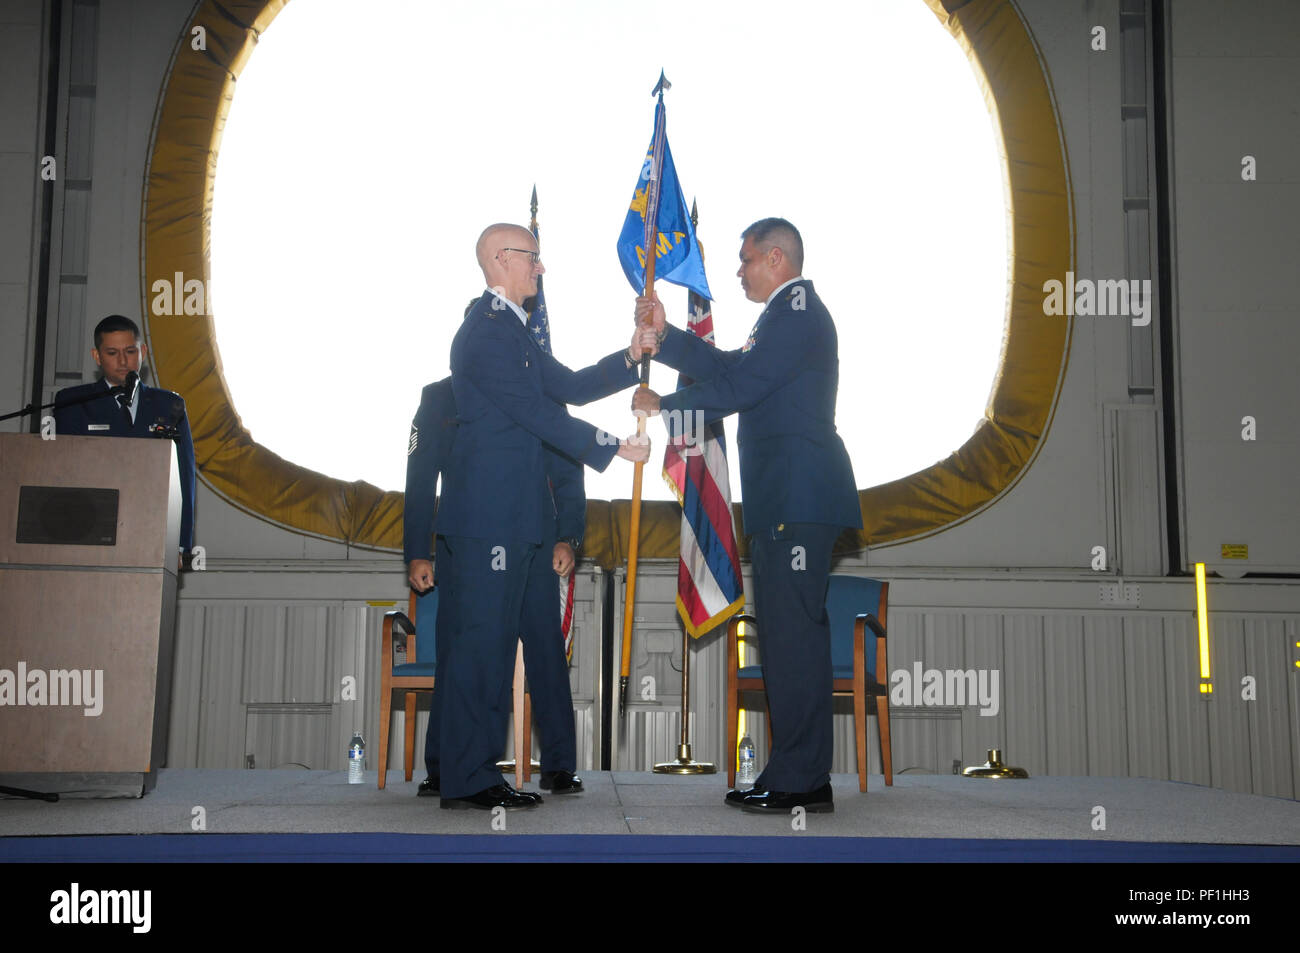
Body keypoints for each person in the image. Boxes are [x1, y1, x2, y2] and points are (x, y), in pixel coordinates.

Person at [633, 218, 861, 814]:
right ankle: (793, 771)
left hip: (800, 498)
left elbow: (744, 385)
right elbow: (736, 367)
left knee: (793, 642)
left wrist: (667, 402)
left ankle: (803, 781)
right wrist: (669, 337)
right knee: (787, 641)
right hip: (786, 501)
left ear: (778, 258)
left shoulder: (799, 311)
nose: (739, 270)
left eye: (746, 259)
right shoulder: (783, 317)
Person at [434, 222, 657, 810]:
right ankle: (468, 777)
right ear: (502, 260)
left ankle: (473, 774)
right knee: (482, 650)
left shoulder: (515, 333)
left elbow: (571, 387)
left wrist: (630, 356)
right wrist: (613, 446)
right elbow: (537, 413)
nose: (540, 267)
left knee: (493, 646)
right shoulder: (484, 334)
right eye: (533, 257)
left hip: (515, 520)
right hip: (489, 519)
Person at [404, 372, 588, 798]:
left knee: (545, 651)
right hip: (463, 549)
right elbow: (420, 476)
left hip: (534, 542)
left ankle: (558, 765)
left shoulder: (539, 394)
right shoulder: (439, 398)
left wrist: (569, 536)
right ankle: (444, 766)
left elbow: (568, 474)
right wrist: (417, 549)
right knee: (458, 654)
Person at [53, 314, 197, 561]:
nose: (122, 361)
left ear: (142, 351)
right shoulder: (73, 403)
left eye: (130, 351)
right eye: (111, 353)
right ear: (97, 356)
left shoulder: (169, 405)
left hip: (150, 531)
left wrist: (182, 543)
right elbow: (63, 474)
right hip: (88, 531)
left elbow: (185, 475)